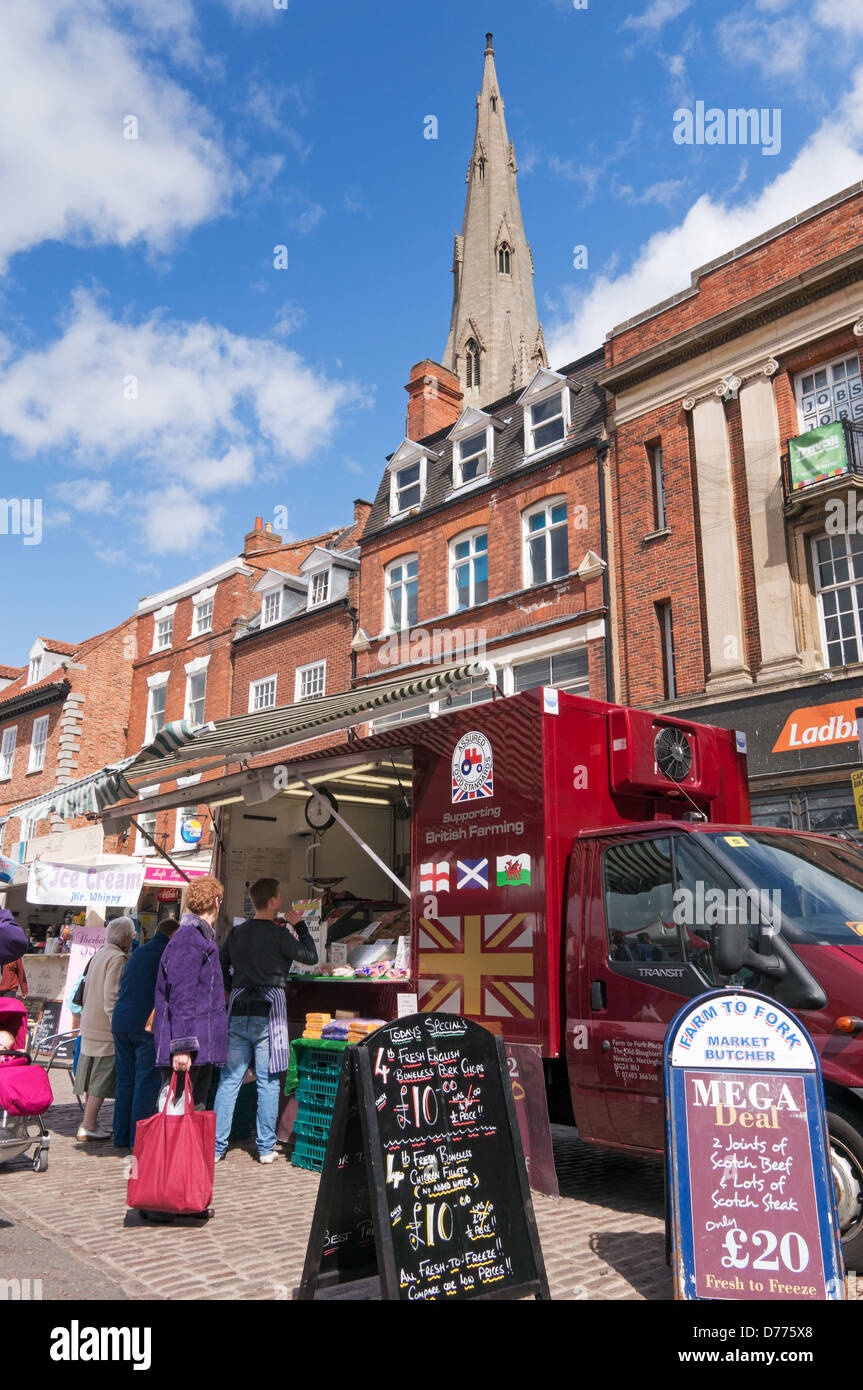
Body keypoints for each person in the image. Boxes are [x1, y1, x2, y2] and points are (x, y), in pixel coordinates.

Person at [214, 878, 317, 1164]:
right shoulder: (280, 935)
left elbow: (220, 965)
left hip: (238, 1009)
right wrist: (300, 926)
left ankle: (216, 1147)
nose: (281, 901)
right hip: (269, 1013)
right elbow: (310, 956)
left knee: (229, 1080)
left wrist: (231, 986)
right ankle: (265, 1147)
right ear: (273, 901)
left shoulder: (237, 933)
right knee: (269, 1080)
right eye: (280, 896)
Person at [153, 875, 227, 1111]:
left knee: (192, 1114)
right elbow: (182, 995)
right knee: (179, 1116)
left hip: (198, 1044)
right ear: (215, 902)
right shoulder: (189, 938)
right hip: (189, 1047)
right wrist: (182, 1047)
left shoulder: (196, 937)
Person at [111, 916, 180, 1150]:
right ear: (173, 935)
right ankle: (137, 1140)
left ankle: (120, 1136)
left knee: (125, 1082)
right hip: (146, 1026)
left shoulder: (139, 951)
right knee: (145, 1082)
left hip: (121, 1022)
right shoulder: (168, 954)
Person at [74, 917, 135, 1140]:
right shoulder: (118, 958)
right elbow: (112, 996)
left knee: (92, 1076)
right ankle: (88, 1124)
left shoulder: (100, 953)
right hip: (103, 1028)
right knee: (101, 1077)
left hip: (89, 1023)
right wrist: (116, 1025)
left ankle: (90, 1122)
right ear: (126, 938)